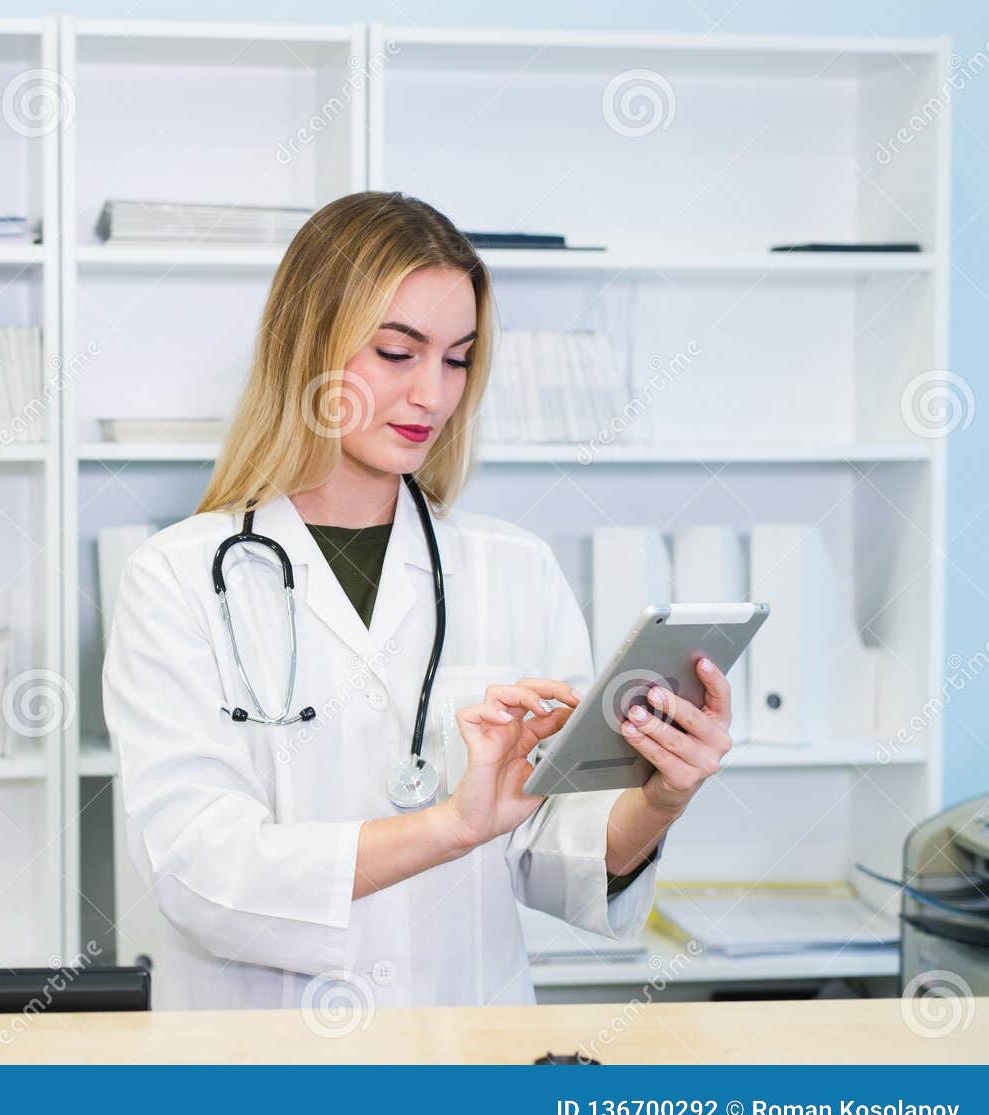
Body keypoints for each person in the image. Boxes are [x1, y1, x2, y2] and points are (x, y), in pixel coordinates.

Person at [101, 191, 734, 1011]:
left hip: (465, 1049)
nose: (432, 395)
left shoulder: (516, 567)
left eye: (457, 357)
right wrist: (450, 825)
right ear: (308, 351)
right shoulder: (176, 579)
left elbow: (556, 853)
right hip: (268, 1065)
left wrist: (659, 800)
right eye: (397, 352)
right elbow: (200, 875)